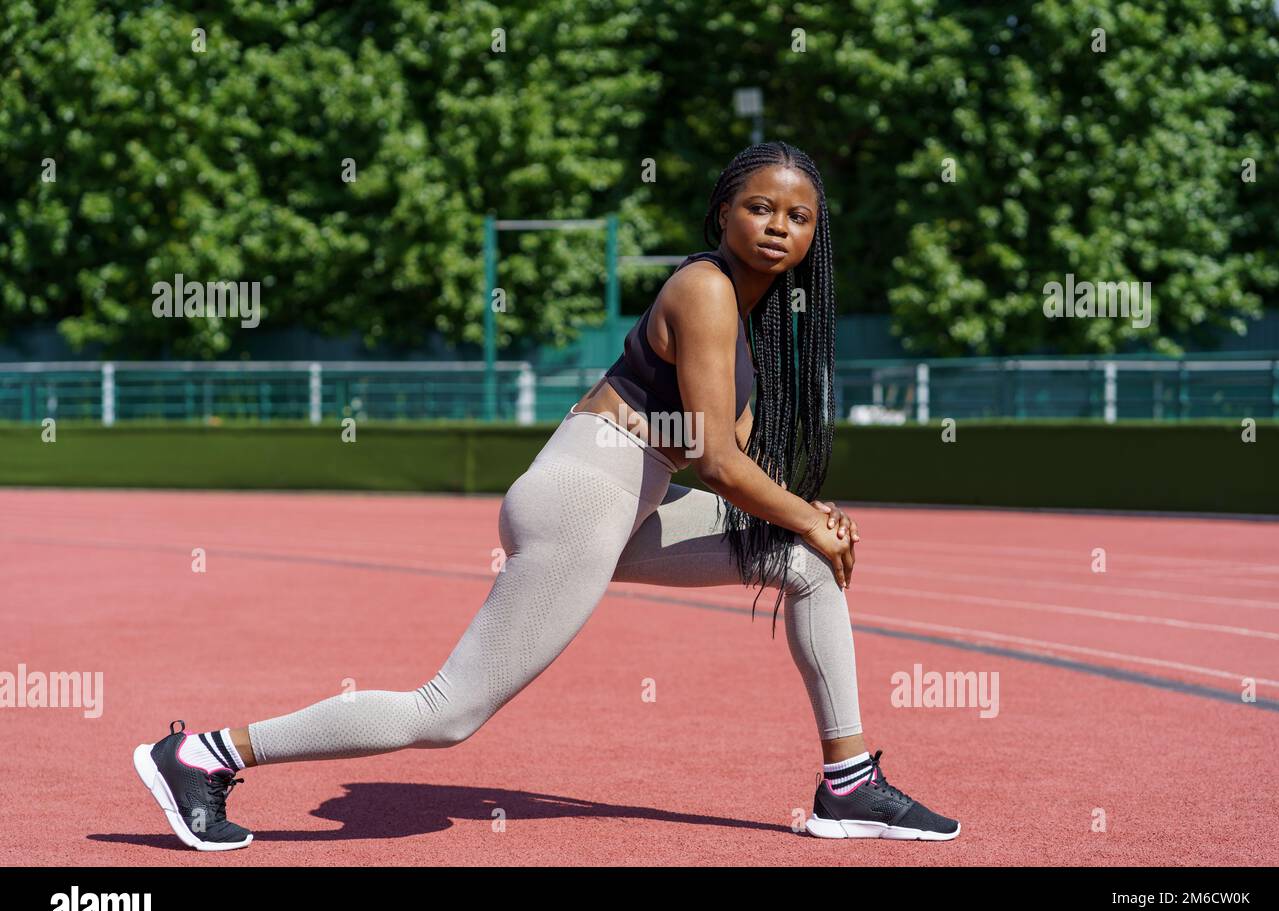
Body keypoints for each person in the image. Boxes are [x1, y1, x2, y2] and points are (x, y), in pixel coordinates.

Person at [132, 141, 960, 850]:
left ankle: (848, 786)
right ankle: (205, 754)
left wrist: (808, 521)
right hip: (587, 492)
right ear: (722, 215)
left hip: (626, 493)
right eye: (759, 207)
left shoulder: (748, 317)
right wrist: (809, 511)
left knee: (804, 563)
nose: (779, 226)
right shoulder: (706, 289)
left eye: (798, 216)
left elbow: (727, 460)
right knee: (447, 713)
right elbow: (716, 461)